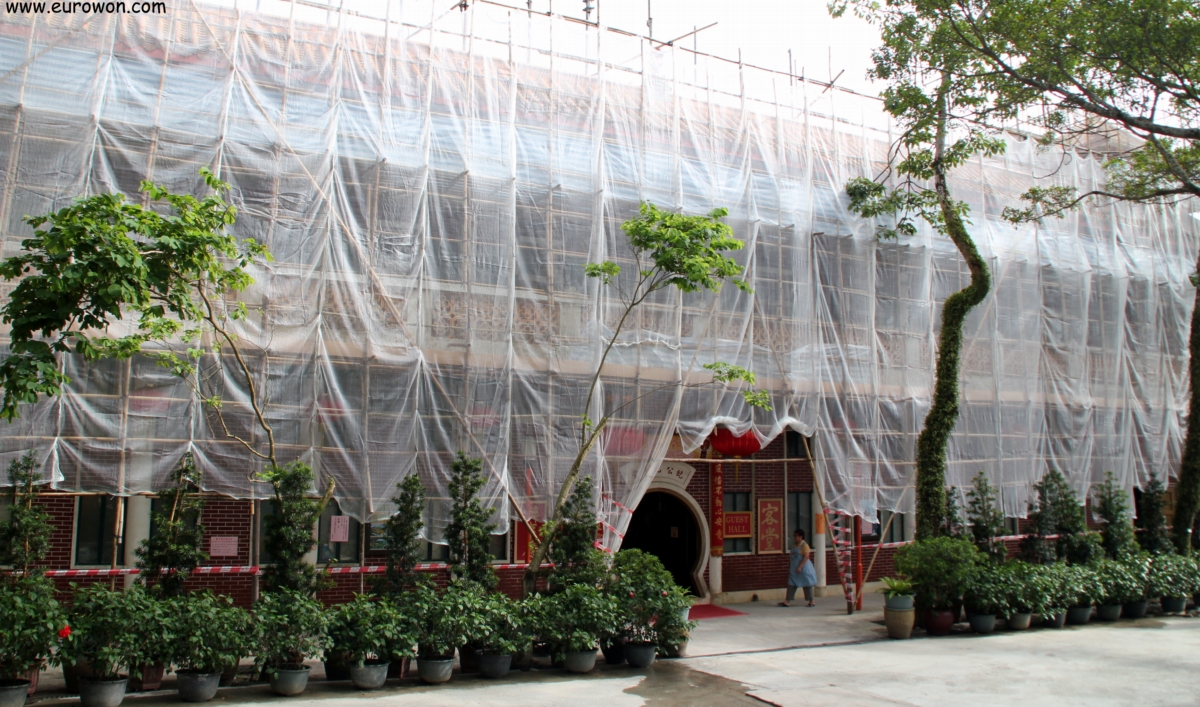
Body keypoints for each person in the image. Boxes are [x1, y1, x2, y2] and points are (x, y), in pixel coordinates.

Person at [779, 528, 817, 607]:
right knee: (791, 584)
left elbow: (806, 557)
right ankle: (787, 601)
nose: (794, 537)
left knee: (807, 584)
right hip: (794, 569)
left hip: (803, 569)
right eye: (794, 535)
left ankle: (811, 601)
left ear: (801, 537)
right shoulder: (794, 545)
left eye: (796, 536)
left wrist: (800, 567)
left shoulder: (805, 545)